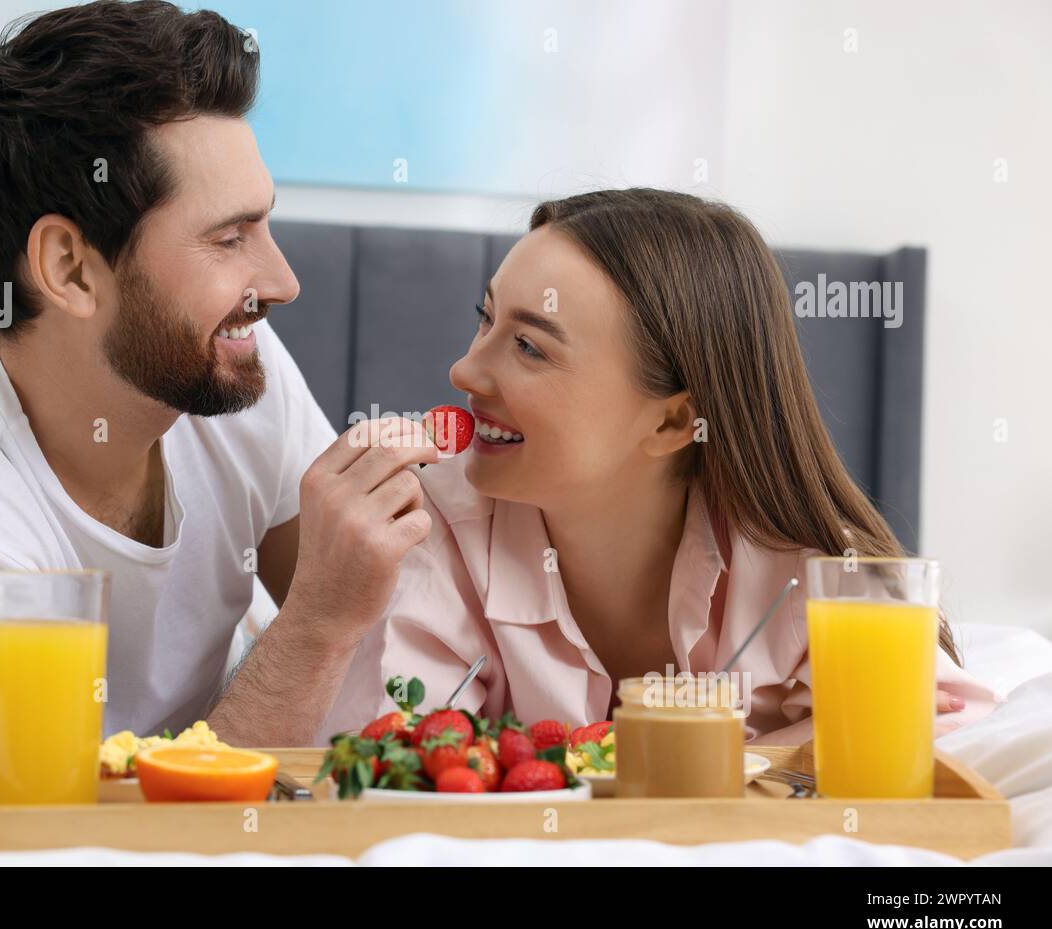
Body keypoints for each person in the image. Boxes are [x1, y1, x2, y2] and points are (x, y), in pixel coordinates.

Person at [0, 2, 436, 763]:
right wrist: (315, 622)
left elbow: (394, 648)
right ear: (68, 267)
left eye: (264, 226)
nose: (283, 281)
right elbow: (52, 842)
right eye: (229, 238)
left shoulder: (223, 359)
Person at [322, 188, 998, 745]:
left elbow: (939, 726)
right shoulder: (431, 526)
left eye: (528, 346)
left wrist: (747, 759)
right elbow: (387, 759)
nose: (464, 369)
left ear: (673, 420)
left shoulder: (800, 569)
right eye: (486, 320)